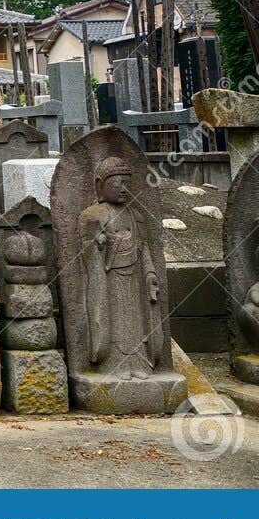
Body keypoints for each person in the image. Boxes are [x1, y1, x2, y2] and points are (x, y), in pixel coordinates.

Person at [80, 155, 161, 379]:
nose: (124, 189)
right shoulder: (93, 215)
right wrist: (98, 244)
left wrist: (151, 273)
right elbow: (87, 249)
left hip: (134, 278)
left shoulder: (136, 215)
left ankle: (139, 363)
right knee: (114, 322)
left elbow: (143, 248)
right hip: (110, 279)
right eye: (118, 184)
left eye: (128, 183)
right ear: (101, 186)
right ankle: (114, 364)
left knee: (135, 322)